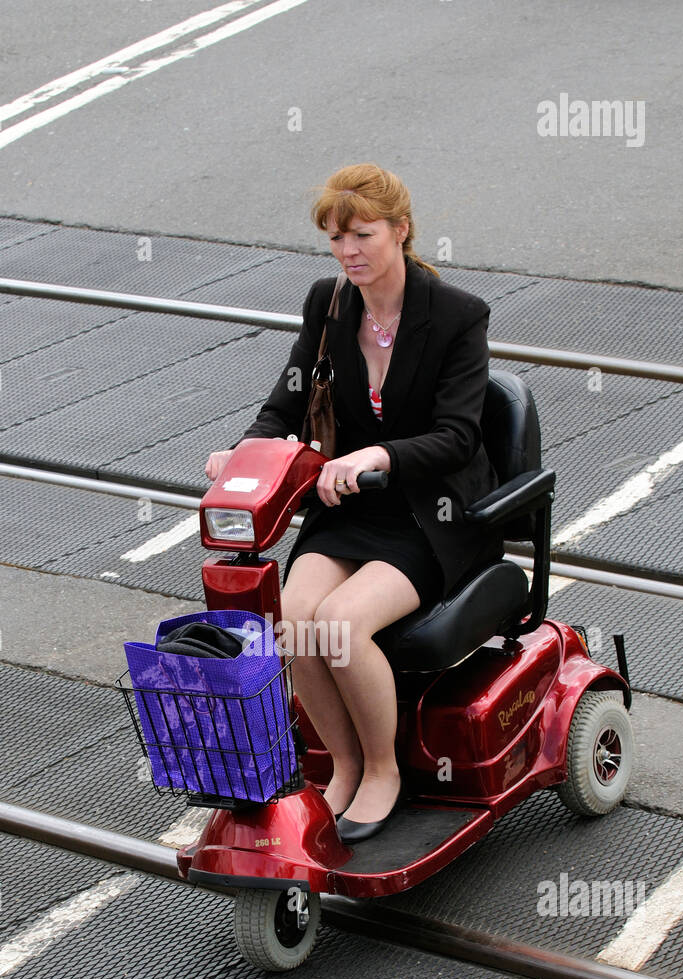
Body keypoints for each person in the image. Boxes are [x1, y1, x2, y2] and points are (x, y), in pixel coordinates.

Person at [205, 164, 502, 842]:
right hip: (348, 512)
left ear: (400, 230)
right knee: (296, 620)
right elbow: (284, 400)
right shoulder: (329, 303)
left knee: (338, 622)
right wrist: (244, 455)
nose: (349, 252)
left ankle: (381, 769)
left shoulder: (456, 316)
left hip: (429, 516)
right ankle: (339, 764)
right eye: (336, 239)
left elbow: (457, 437)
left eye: (362, 235)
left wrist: (377, 456)